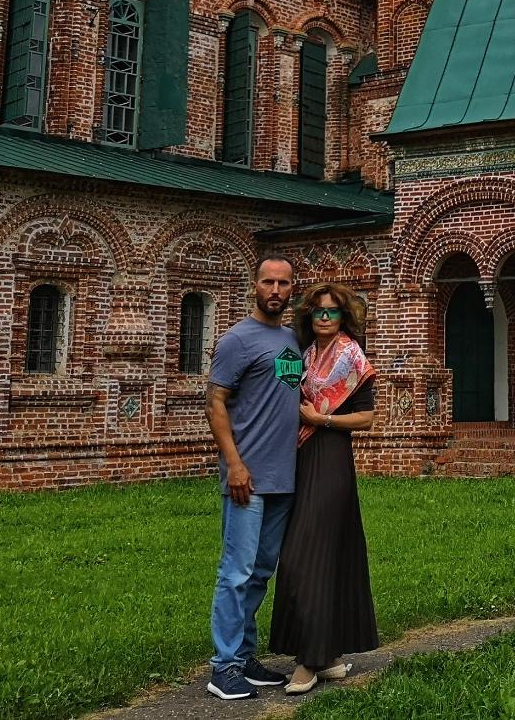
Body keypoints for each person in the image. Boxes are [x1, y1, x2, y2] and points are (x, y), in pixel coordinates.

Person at [269, 281, 380, 696]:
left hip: (331, 456)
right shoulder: (301, 355)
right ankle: (329, 656)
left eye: (332, 311)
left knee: (303, 556)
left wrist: (324, 421)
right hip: (298, 457)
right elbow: (280, 391)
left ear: (343, 316)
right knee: (316, 555)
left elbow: (368, 417)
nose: (324, 318)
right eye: (317, 312)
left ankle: (308, 661)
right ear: (308, 317)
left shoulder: (353, 357)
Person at [205, 256, 306, 702]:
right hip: (248, 477)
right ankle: (223, 667)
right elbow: (215, 402)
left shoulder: (291, 339)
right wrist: (235, 464)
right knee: (236, 571)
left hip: (284, 477)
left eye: (283, 283)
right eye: (268, 281)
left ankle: (244, 656)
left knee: (261, 571)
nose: (276, 290)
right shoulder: (237, 340)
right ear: (254, 286)